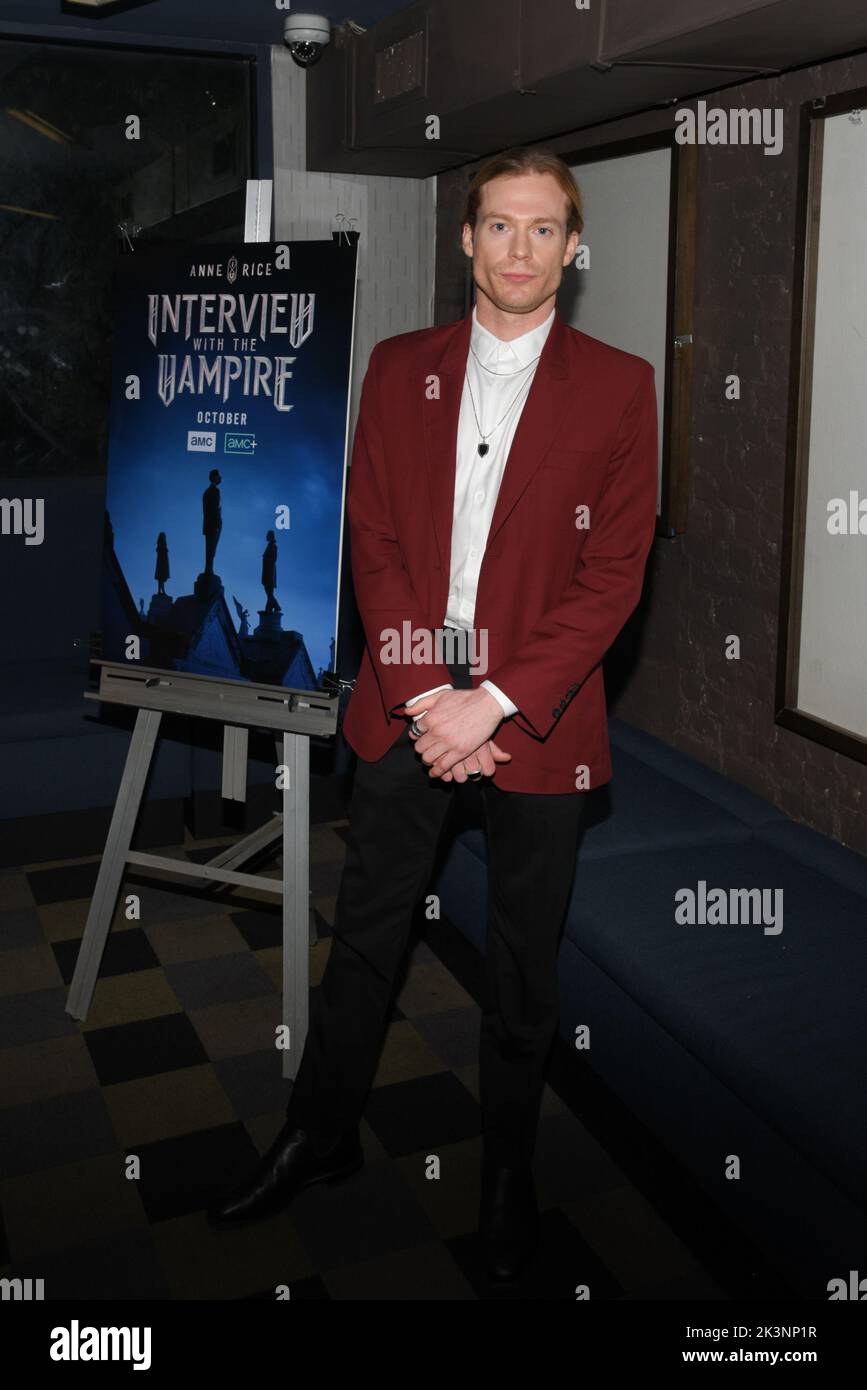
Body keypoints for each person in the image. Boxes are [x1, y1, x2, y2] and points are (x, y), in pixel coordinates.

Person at [207, 145, 658, 1284]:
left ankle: (508, 1172)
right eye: (499, 226)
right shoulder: (398, 366)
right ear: (466, 239)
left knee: (521, 971)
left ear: (571, 245)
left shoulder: (620, 386)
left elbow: (613, 577)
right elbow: (377, 543)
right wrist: (423, 695)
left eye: (543, 229)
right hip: (407, 705)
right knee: (365, 938)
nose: (519, 250)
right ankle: (321, 1131)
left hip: (537, 718)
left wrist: (493, 703)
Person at [202, 469, 222, 575]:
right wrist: (218, 523)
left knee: (209, 549)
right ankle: (209, 569)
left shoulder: (207, 492)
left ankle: (208, 569)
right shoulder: (214, 491)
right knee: (211, 549)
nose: (220, 478)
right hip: (213, 524)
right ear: (214, 477)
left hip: (208, 524)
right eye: (218, 476)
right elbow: (214, 509)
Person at [261, 530, 281, 613]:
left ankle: (276, 606)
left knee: (269, 591)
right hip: (267, 570)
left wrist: (266, 558)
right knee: (268, 591)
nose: (266, 536)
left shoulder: (273, 546)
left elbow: (274, 559)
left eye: (267, 535)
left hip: (269, 571)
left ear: (270, 536)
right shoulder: (270, 545)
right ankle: (270, 607)